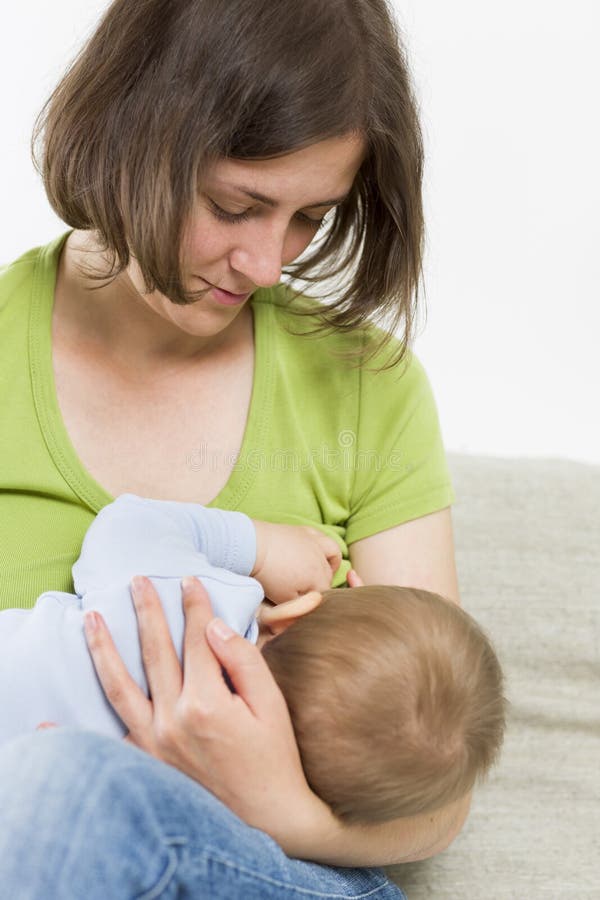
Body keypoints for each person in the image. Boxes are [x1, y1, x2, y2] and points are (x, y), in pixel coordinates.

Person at [0, 0, 471, 896]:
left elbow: (438, 786)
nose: (267, 263)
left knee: (55, 790)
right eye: (236, 205)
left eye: (309, 219)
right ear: (133, 128)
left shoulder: (368, 387)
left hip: (280, 870)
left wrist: (277, 807)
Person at [0, 494, 506, 826]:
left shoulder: (209, 603)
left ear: (295, 613)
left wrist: (259, 545)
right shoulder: (211, 799)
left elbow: (125, 524)